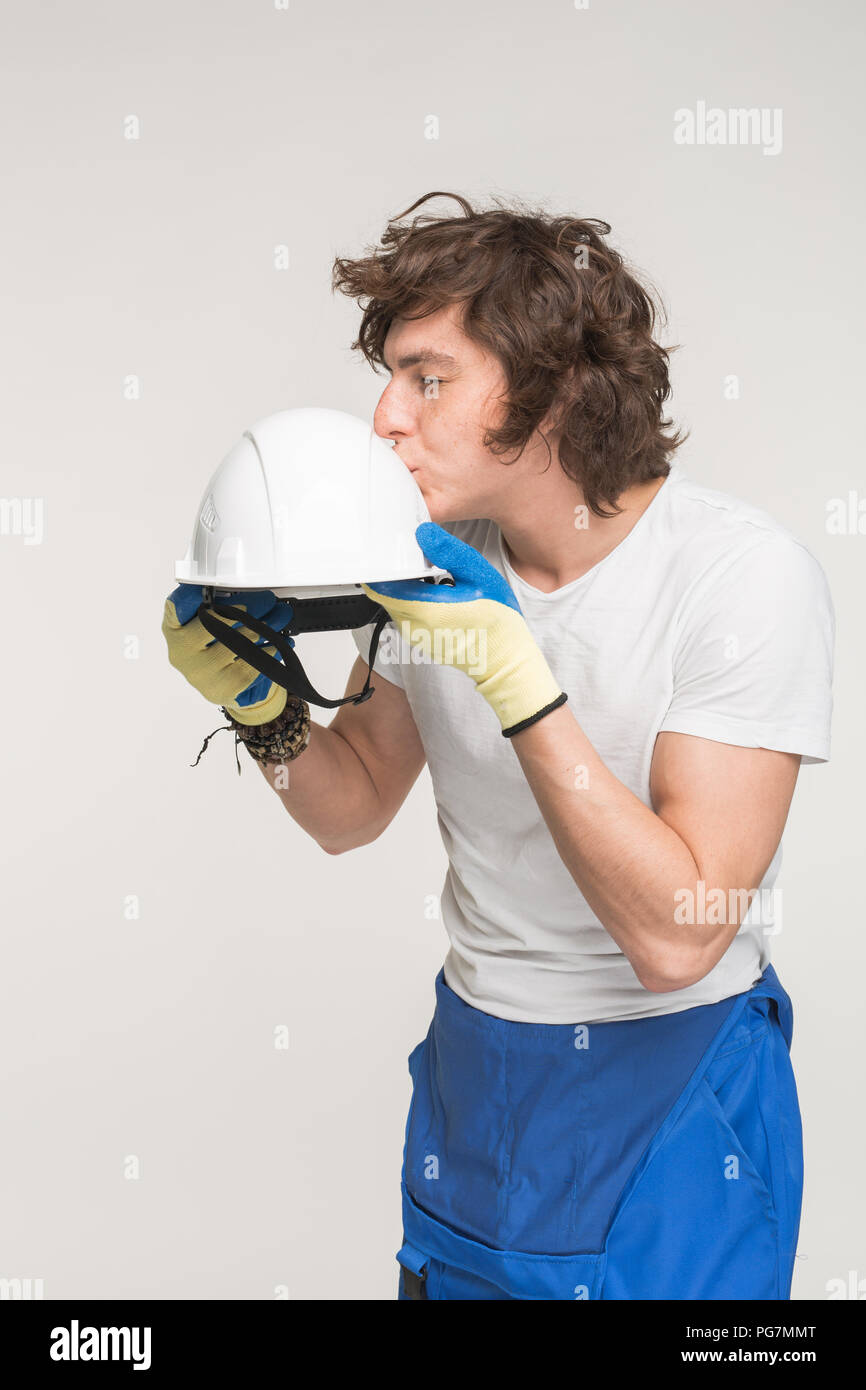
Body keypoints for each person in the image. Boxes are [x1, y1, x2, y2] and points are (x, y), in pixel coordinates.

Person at [162, 191, 834, 1300]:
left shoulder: (736, 579)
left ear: (554, 388)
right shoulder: (424, 563)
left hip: (671, 1089)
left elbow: (679, 938)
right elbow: (355, 803)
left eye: (427, 378)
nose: (384, 417)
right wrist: (260, 707)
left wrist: (519, 686)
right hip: (478, 1072)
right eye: (388, 376)